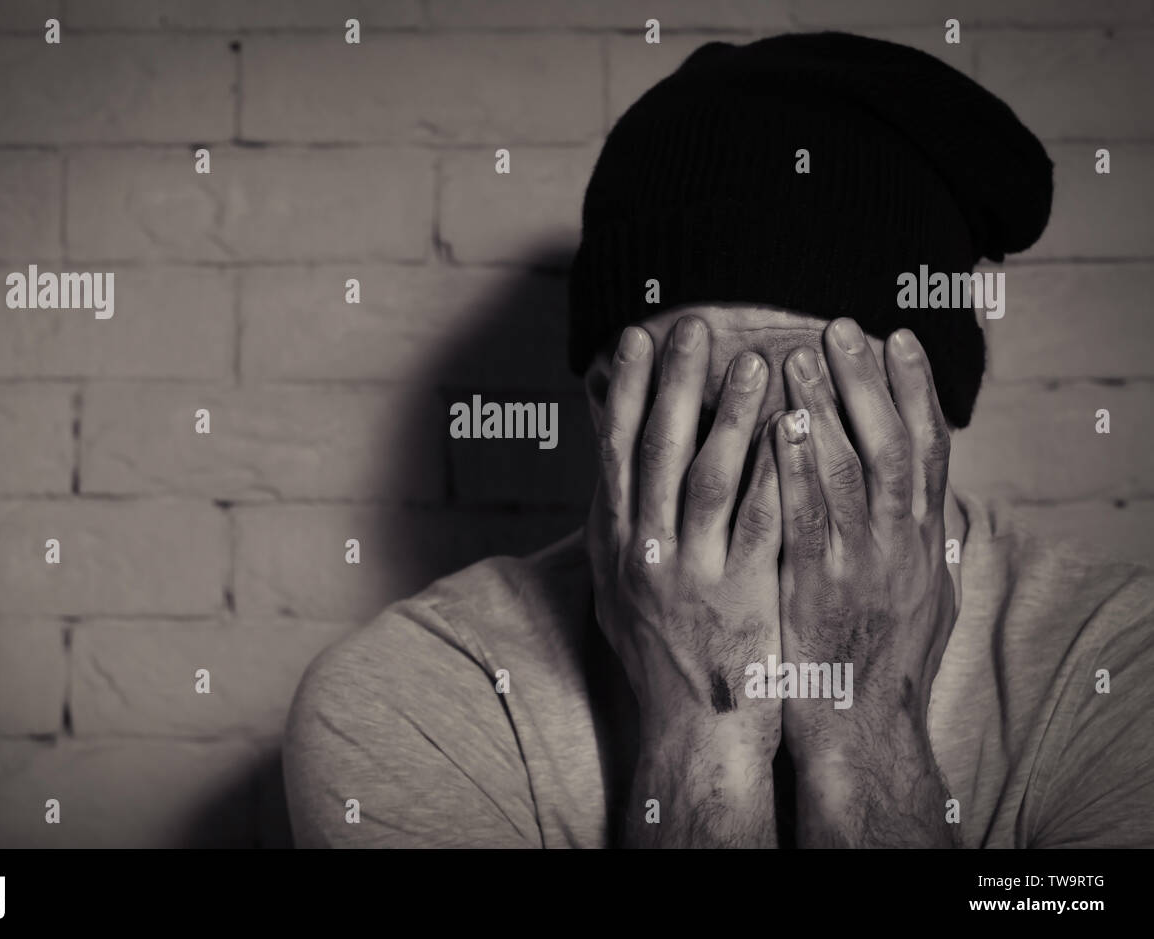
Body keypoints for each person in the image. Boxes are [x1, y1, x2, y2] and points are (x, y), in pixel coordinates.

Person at [282, 33, 1154, 847]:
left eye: (830, 406)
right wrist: (704, 737)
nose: (777, 474)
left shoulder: (1116, 676)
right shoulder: (420, 703)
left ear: (933, 422)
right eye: (717, 405)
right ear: (606, 410)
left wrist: (865, 731)